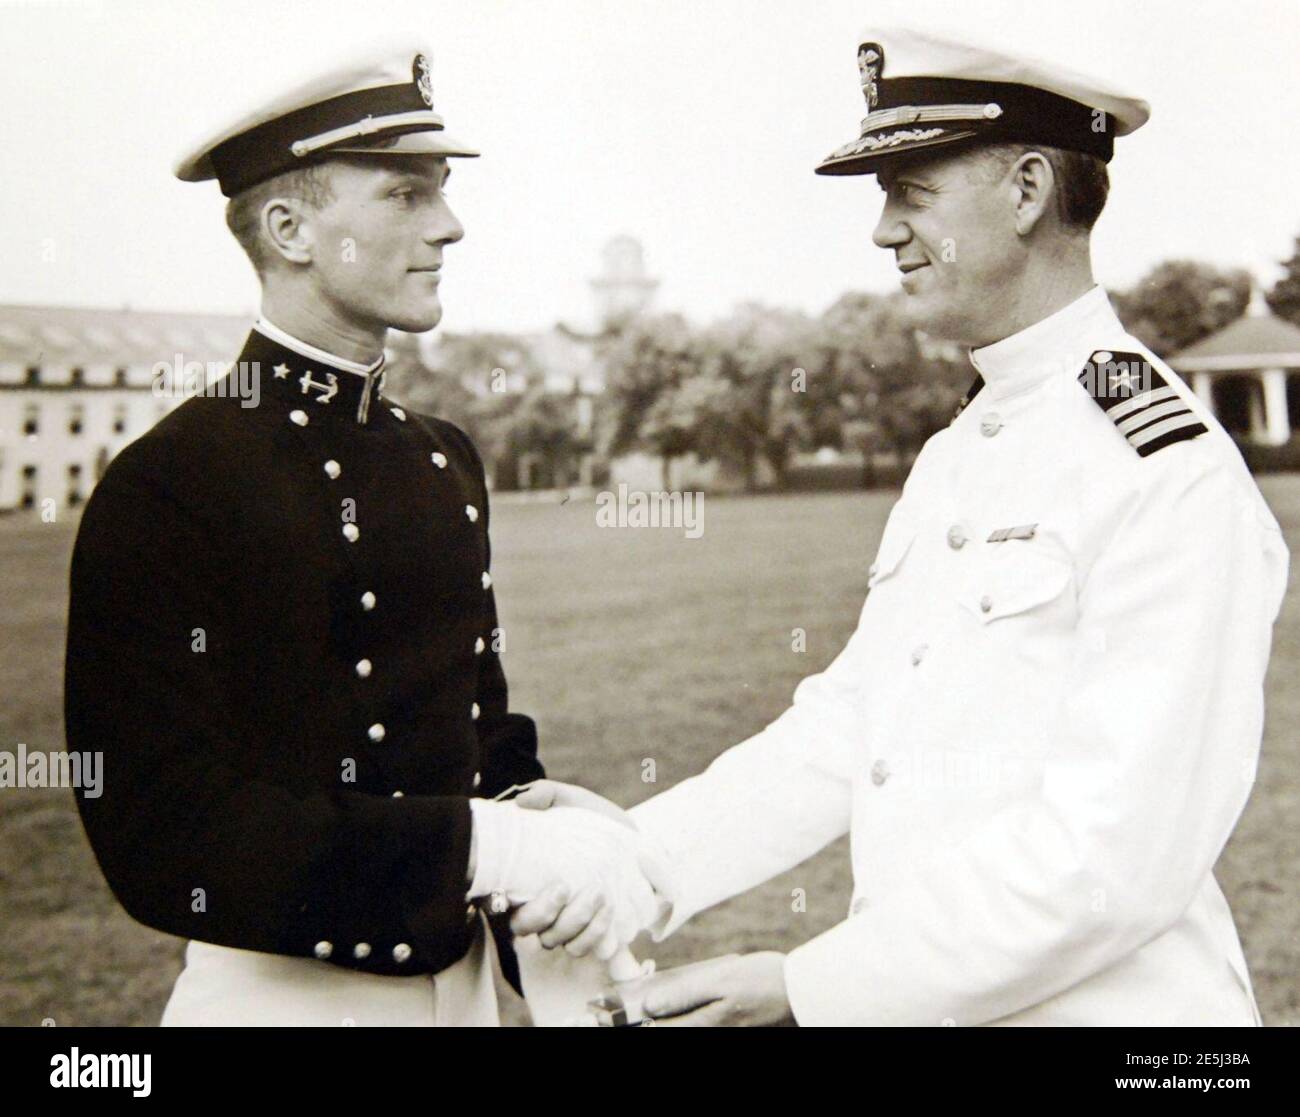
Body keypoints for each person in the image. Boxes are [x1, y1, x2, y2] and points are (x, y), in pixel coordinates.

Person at [516, 26, 1290, 1026]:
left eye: (910, 192)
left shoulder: (1164, 468)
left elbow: (1115, 853)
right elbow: (853, 725)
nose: (884, 233)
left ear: (1026, 191)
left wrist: (810, 989)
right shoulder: (961, 448)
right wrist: (636, 857)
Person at [64, 42, 658, 1027]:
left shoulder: (444, 456)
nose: (450, 224)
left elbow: (475, 736)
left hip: (464, 997)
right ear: (291, 230)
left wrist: (542, 819)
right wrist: (486, 846)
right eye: (406, 194)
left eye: (443, 191)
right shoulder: (171, 482)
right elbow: (163, 834)